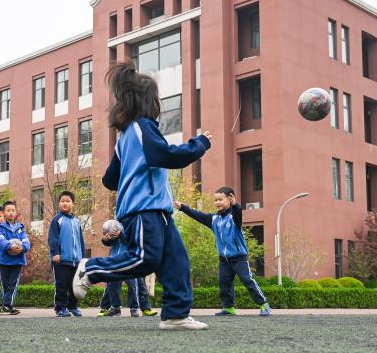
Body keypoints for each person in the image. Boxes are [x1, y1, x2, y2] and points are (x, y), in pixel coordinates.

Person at [71, 64, 212, 331]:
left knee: (178, 262)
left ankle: (175, 314)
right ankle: (91, 269)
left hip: (157, 211)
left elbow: (109, 179)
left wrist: (131, 172)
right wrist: (199, 144)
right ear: (150, 102)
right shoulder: (143, 127)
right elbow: (167, 155)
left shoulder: (126, 137)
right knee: (145, 259)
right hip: (144, 210)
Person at [174, 186, 271, 317]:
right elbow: (198, 215)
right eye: (215, 200)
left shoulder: (234, 218)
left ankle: (264, 304)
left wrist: (236, 205)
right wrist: (182, 207)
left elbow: (238, 213)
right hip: (224, 259)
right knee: (224, 283)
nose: (217, 202)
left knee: (247, 280)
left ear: (229, 199)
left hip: (239, 257)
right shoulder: (214, 219)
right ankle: (229, 308)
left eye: (220, 199)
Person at [48, 191, 85, 317]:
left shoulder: (76, 221)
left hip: (76, 260)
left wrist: (82, 257)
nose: (65, 203)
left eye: (68, 201)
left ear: (72, 204)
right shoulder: (57, 220)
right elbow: (53, 239)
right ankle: (60, 307)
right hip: (61, 260)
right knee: (61, 285)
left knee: (75, 285)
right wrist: (55, 253)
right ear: (59, 203)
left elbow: (81, 241)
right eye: (62, 201)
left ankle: (73, 306)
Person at [0, 201, 29, 315]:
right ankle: (7, 305)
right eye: (8, 210)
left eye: (13, 210)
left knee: (13, 284)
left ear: (16, 213)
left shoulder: (21, 227)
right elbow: (1, 241)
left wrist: (22, 248)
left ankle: (7, 305)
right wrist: (10, 246)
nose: (10, 212)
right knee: (5, 284)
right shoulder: (0, 228)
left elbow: (26, 241)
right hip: (4, 260)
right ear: (4, 213)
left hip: (17, 260)